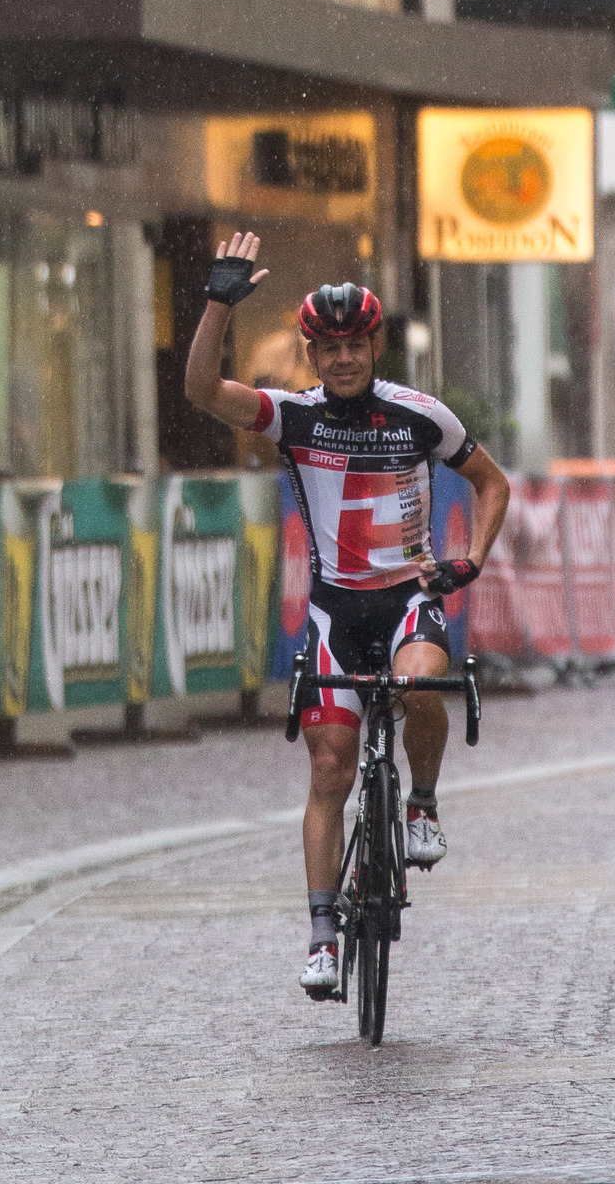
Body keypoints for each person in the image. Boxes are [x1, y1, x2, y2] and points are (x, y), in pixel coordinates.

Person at [185, 231, 511, 1004]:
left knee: (422, 685)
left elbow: (493, 485)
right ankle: (324, 937)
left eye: (355, 344)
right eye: (327, 348)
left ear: (375, 344)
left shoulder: (420, 416)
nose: (341, 359)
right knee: (330, 765)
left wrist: (473, 560)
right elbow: (202, 392)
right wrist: (215, 306)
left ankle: (421, 803)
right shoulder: (293, 418)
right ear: (310, 351)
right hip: (335, 612)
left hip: (409, 600)